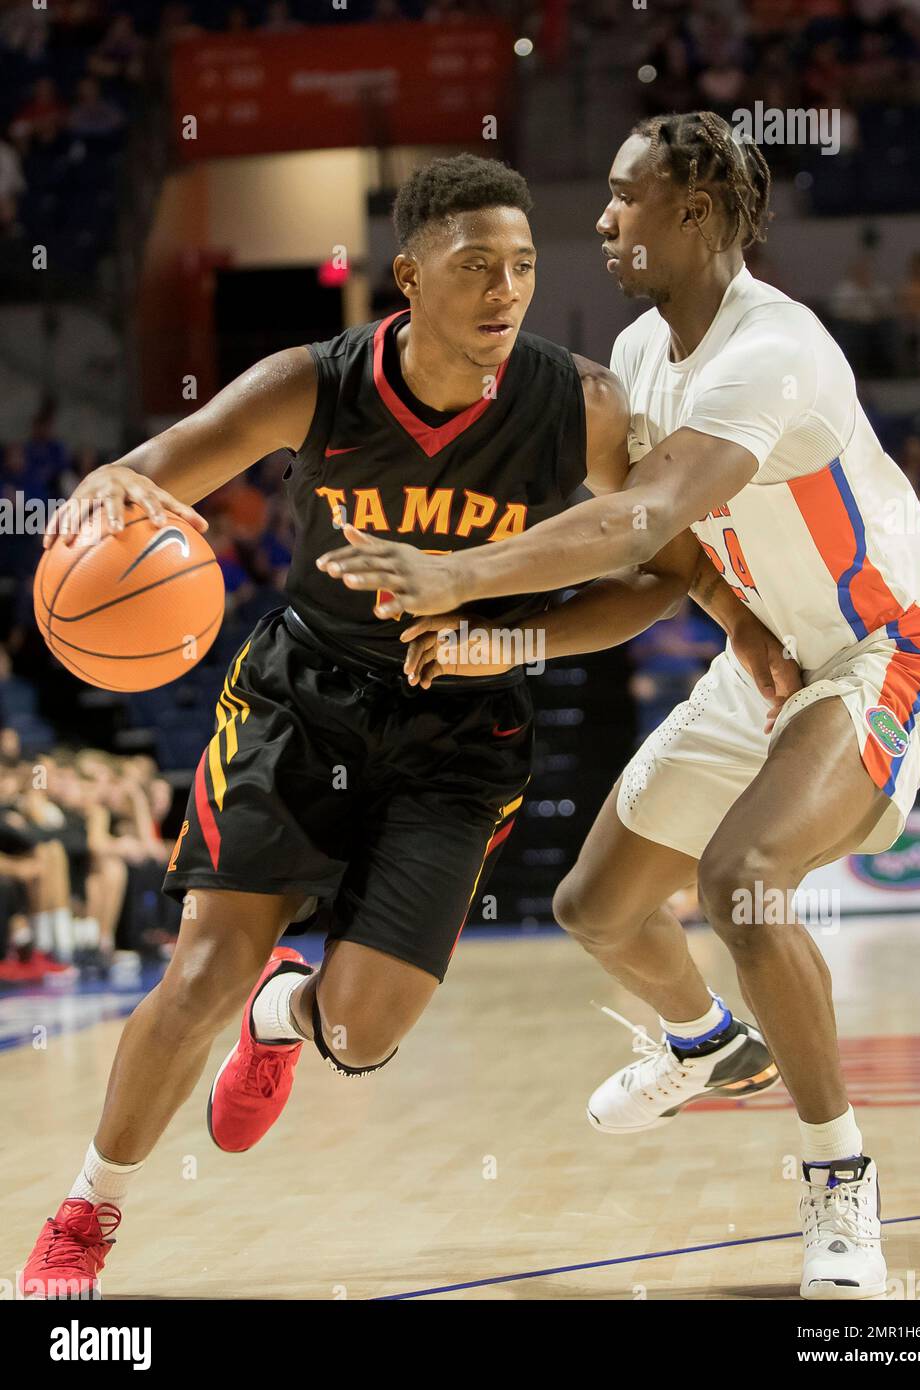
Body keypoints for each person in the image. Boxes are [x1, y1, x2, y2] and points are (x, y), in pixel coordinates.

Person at [19, 153, 790, 1299]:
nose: (504, 292)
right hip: (303, 697)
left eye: (523, 267)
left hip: (463, 731)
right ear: (409, 277)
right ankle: (88, 1209)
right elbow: (153, 473)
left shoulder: (573, 403)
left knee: (364, 1033)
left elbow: (660, 570)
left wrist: (548, 638)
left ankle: (283, 1012)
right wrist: (111, 491)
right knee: (199, 970)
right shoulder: (309, 383)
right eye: (476, 266)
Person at [324, 113, 920, 1300]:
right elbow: (661, 571)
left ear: (699, 212)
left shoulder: (772, 351)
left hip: (882, 647)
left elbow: (638, 513)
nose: (604, 219)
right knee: (597, 904)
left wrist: (462, 572)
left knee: (743, 878)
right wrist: (496, 640)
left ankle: (839, 1181)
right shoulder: (637, 352)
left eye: (626, 198)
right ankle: (707, 1043)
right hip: (767, 655)